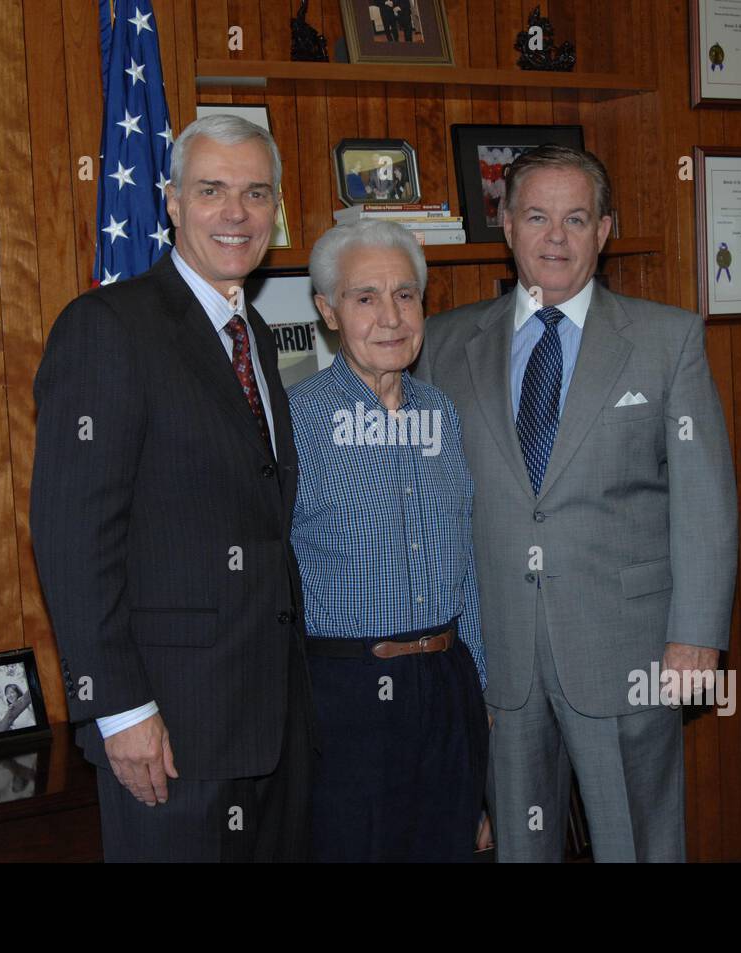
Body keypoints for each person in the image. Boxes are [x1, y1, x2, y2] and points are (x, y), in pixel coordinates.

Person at [415, 144, 738, 862]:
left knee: (639, 844)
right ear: (505, 224)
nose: (554, 237)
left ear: (605, 230)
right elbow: (428, 502)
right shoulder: (442, 344)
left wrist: (697, 639)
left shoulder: (666, 339)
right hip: (497, 655)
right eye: (536, 216)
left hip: (628, 650)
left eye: (575, 218)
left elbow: (705, 502)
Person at [31, 114, 314, 862]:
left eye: (256, 193)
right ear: (173, 203)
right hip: (169, 736)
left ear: (277, 209)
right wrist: (120, 710)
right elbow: (71, 537)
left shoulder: (250, 331)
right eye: (212, 189)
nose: (236, 213)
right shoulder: (108, 328)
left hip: (273, 727)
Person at [288, 220, 489, 862]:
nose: (390, 316)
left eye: (405, 294)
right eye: (365, 297)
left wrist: (477, 694)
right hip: (345, 694)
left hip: (447, 683)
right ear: (327, 311)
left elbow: (468, 564)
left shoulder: (443, 412)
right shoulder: (295, 420)